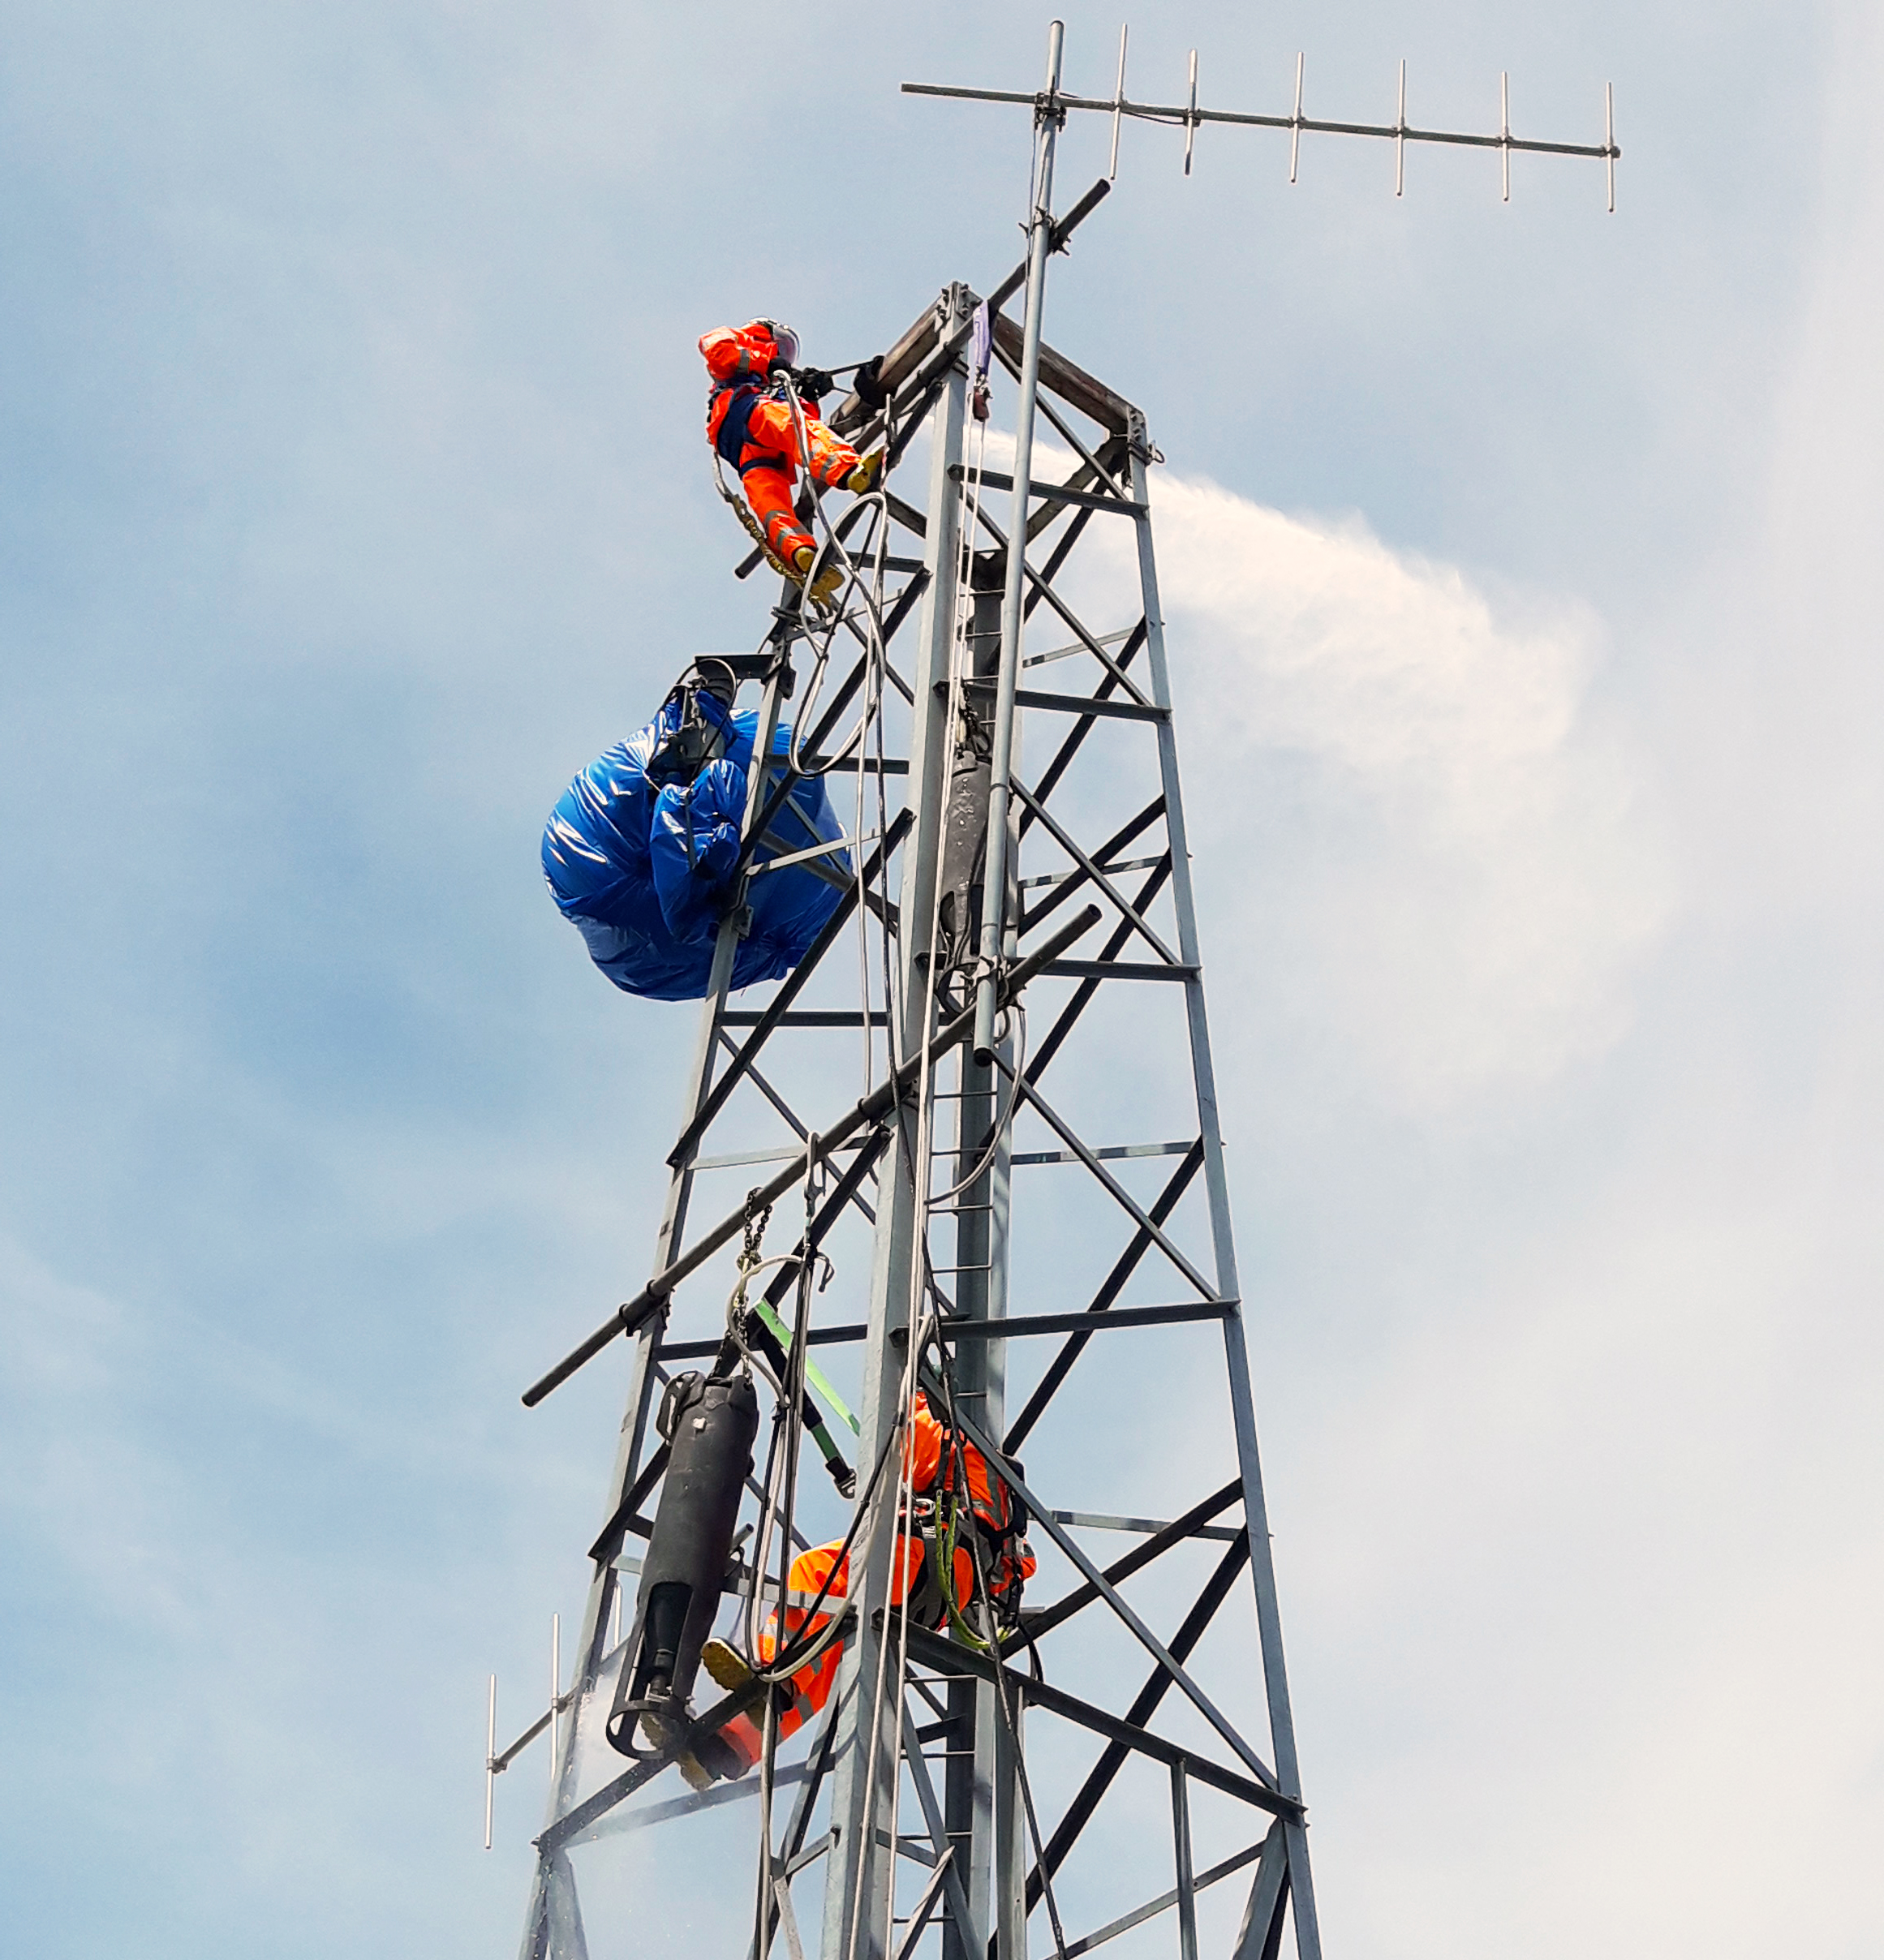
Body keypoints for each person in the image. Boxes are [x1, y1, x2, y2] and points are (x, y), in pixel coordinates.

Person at [679, 1390, 1035, 1787]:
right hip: (935, 1594)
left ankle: (772, 1672)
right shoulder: (1002, 1520)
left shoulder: (968, 1456)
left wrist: (910, 1392)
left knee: (816, 1572)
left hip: (928, 1558)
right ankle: (735, 1745)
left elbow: (916, 1444)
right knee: (828, 1643)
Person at [541, 660, 850, 1000]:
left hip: (656, 929)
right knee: (700, 805)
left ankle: (700, 857)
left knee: (696, 808)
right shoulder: (741, 757)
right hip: (664, 904)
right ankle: (700, 856)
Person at [701, 319, 888, 603]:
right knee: (796, 428)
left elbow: (802, 416)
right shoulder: (740, 343)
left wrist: (809, 395)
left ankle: (800, 553)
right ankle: (849, 469)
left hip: (744, 448)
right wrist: (766, 361)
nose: (784, 354)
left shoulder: (771, 383)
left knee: (770, 502)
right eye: (783, 346)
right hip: (743, 410)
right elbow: (714, 348)